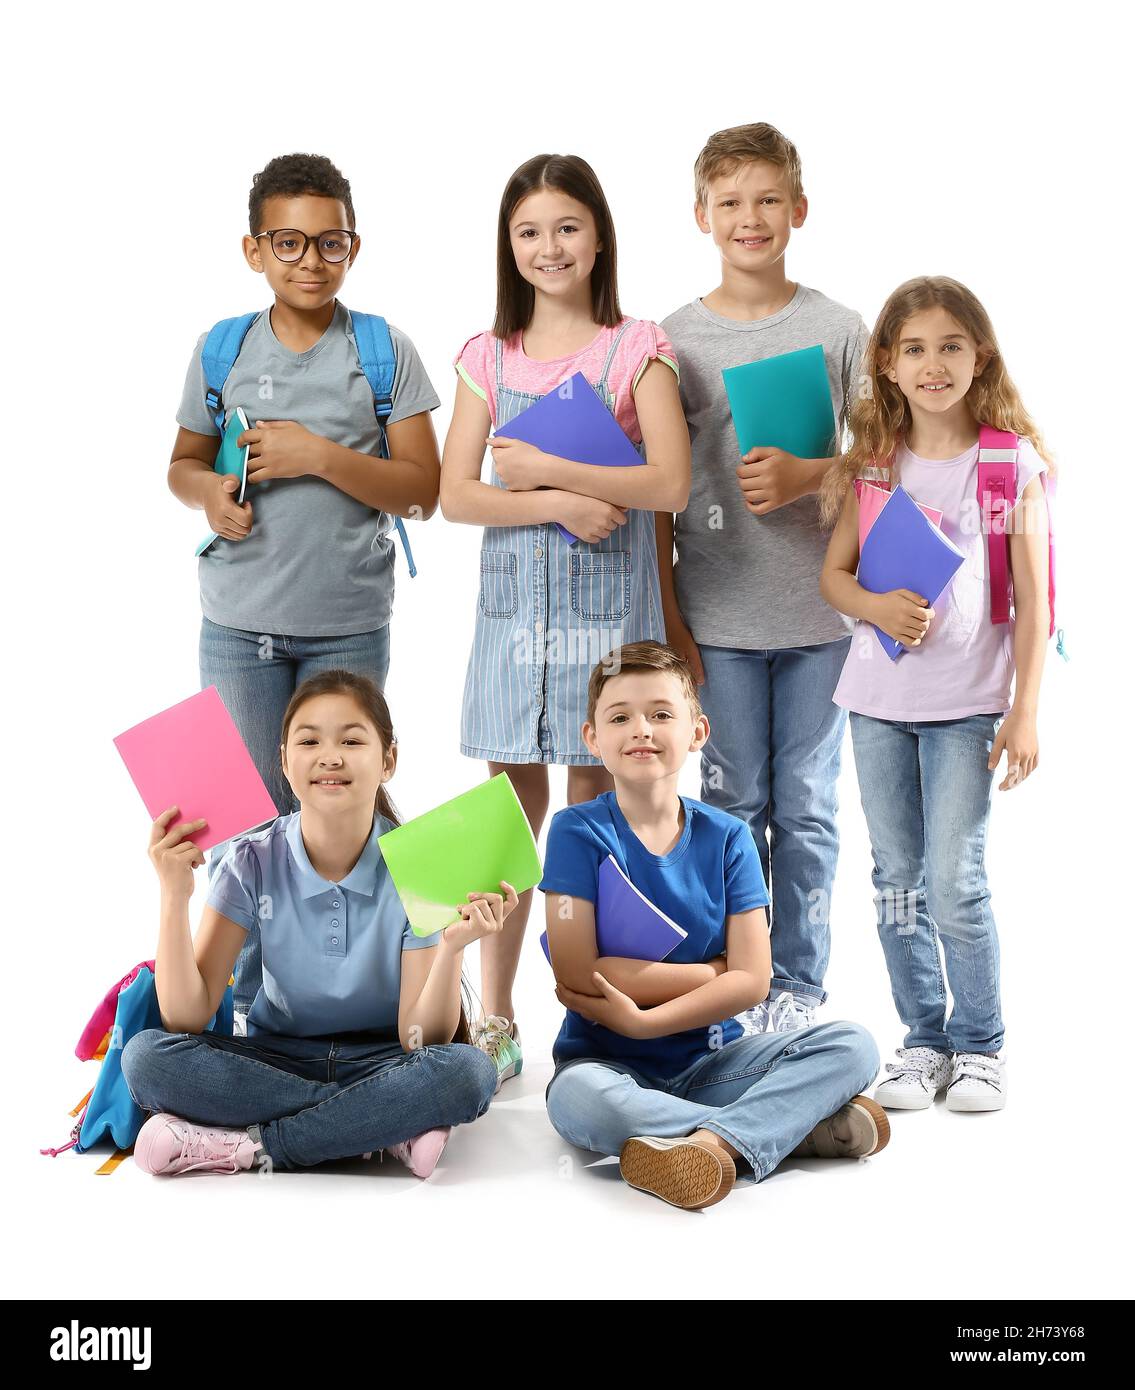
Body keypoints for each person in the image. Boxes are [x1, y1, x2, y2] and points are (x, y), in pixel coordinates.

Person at [169, 153, 442, 1015]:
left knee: (346, 816)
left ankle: (383, 997)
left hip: (347, 625)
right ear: (254, 249)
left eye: (331, 243)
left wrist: (318, 455)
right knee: (246, 832)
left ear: (353, 247)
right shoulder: (222, 348)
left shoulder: (380, 350)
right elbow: (180, 465)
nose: (310, 261)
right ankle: (253, 1011)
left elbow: (423, 491)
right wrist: (209, 494)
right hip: (238, 624)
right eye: (288, 242)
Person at [440, 154, 690, 1084]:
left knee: (593, 818)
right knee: (509, 816)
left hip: (605, 623)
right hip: (512, 622)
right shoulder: (485, 356)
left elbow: (669, 482)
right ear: (509, 246)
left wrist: (560, 477)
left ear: (599, 237)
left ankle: (590, 1016)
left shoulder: (637, 348)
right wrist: (554, 505)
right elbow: (456, 494)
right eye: (529, 232)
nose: (549, 248)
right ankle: (495, 1015)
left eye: (567, 228)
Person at [121, 670, 511, 1178]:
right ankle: (380, 1125)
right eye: (309, 741)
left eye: (352, 740)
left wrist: (453, 946)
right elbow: (185, 1017)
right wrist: (174, 896)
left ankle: (254, 1146)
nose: (331, 756)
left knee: (468, 1072)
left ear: (388, 760)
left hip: (384, 1060)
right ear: (284, 760)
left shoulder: (419, 862)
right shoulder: (250, 860)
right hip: (274, 1060)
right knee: (147, 1058)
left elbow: (421, 1040)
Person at [542, 641, 887, 1211]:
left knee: (854, 1045)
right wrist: (713, 973)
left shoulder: (726, 836)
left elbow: (753, 983)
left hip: (714, 1062)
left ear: (698, 731)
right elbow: (578, 970)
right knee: (580, 1102)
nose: (641, 730)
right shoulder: (576, 831)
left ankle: (704, 1142)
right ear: (592, 740)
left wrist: (647, 1019)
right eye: (620, 717)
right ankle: (783, 1131)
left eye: (660, 714)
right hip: (604, 1065)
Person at [819, 276, 1053, 1113]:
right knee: (897, 879)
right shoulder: (875, 463)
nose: (932, 363)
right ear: (884, 364)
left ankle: (979, 1045)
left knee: (955, 879)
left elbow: (1035, 602)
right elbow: (834, 577)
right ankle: (921, 1040)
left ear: (979, 354)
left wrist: (1023, 709)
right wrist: (874, 605)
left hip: (968, 704)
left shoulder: (1006, 464)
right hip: (877, 703)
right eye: (912, 348)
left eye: (950, 345)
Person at [657, 123, 869, 1035]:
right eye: (731, 203)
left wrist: (810, 477)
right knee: (732, 803)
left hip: (822, 613)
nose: (751, 219)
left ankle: (800, 985)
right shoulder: (671, 338)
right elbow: (657, 497)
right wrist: (670, 617)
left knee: (811, 808)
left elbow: (891, 465)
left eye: (768, 201)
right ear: (701, 215)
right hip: (719, 617)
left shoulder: (838, 328)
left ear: (799, 209)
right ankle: (735, 977)